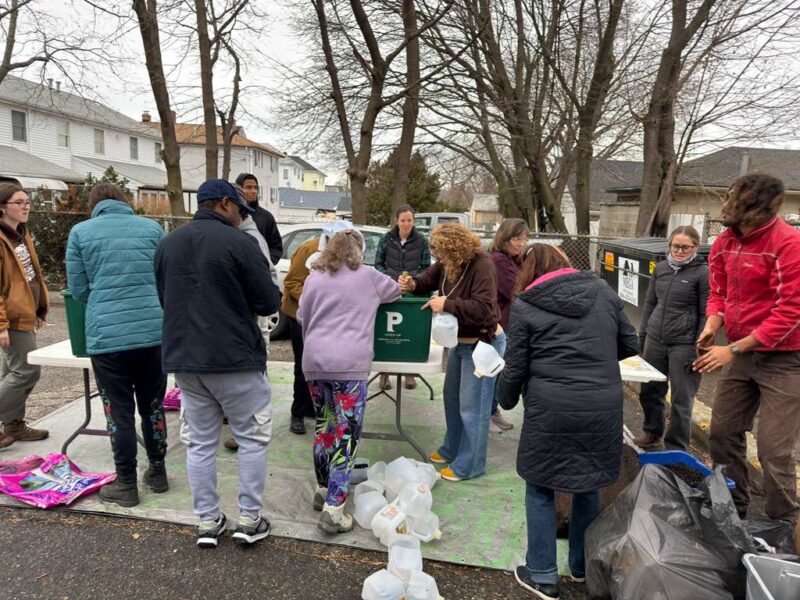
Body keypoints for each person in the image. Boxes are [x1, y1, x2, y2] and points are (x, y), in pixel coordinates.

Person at [497, 243, 638, 600]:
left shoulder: (527, 305)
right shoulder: (603, 292)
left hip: (551, 409)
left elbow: (515, 367)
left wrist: (505, 398)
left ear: (529, 272)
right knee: (588, 485)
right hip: (601, 406)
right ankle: (582, 566)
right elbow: (629, 343)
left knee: (541, 486)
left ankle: (543, 575)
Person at [155, 179, 281, 548]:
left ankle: (208, 521)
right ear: (225, 203)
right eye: (241, 211)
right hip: (235, 357)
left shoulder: (168, 243)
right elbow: (267, 302)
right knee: (252, 439)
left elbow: (166, 298)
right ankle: (249, 518)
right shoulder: (240, 243)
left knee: (200, 443)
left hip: (187, 360)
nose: (243, 218)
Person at [693, 174, 800, 524]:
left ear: (757, 209)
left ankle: (783, 523)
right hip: (741, 352)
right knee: (722, 433)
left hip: (784, 359)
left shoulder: (788, 243)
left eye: (734, 201)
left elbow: (791, 312)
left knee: (773, 449)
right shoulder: (725, 241)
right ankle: (732, 507)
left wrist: (733, 350)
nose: (725, 207)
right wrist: (712, 325)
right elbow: (719, 292)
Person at [65, 184, 167, 507]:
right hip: (153, 332)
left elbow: (78, 289)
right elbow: (165, 277)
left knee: (118, 411)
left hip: (108, 338)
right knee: (152, 404)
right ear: (125, 202)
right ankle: (158, 472)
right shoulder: (153, 229)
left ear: (93, 205)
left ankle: (126, 483)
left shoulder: (80, 233)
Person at [298, 221, 401, 533]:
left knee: (324, 427)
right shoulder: (368, 277)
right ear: (359, 250)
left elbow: (302, 315)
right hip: (349, 365)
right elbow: (395, 292)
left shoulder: (314, 278)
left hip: (315, 361)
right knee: (346, 432)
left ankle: (322, 489)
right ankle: (335, 506)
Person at [399, 223, 501, 482]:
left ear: (456, 249)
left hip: (482, 344)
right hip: (459, 343)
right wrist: (411, 283)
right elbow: (426, 281)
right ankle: (452, 448)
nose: (439, 259)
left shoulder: (483, 266)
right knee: (452, 399)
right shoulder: (447, 264)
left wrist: (448, 304)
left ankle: (471, 464)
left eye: (442, 253)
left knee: (473, 407)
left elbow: (485, 309)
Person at [633, 225, 708, 451]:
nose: (680, 251)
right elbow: (650, 303)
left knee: (681, 400)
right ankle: (652, 432)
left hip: (684, 344)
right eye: (676, 246)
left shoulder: (703, 273)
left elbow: (706, 312)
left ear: (695, 247)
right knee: (650, 390)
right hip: (655, 339)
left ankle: (676, 447)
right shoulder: (662, 268)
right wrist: (644, 333)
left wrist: (699, 344)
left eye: (685, 247)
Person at [222, 201, 281, 452]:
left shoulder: (250, 239)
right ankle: (241, 422)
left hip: (251, 320)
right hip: (244, 320)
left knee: (252, 374)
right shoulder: (240, 236)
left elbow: (267, 285)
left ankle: (247, 429)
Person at [0, 183, 49, 449]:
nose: (26, 206)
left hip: (26, 313)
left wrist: (40, 308)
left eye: (27, 202)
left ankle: (13, 426)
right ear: (2, 207)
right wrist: (1, 325)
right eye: (19, 202)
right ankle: (11, 423)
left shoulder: (21, 233)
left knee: (10, 371)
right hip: (10, 318)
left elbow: (31, 275)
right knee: (27, 371)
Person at [375, 204, 431, 391]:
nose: (406, 224)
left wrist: (413, 281)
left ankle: (409, 373)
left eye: (409, 220)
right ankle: (384, 374)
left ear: (413, 221)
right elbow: (378, 264)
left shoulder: (422, 241)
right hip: (389, 291)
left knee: (409, 332)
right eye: (403, 220)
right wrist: (392, 280)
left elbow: (426, 267)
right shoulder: (386, 239)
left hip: (414, 293)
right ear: (396, 221)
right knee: (387, 333)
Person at [487, 218, 529, 433]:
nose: (520, 244)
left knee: (499, 371)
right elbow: (516, 290)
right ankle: (486, 414)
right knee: (493, 372)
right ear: (504, 238)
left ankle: (493, 411)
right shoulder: (500, 261)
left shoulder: (511, 260)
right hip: (498, 325)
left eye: (523, 239)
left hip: (506, 324)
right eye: (516, 239)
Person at [281, 236, 319, 435]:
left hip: (319, 317)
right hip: (298, 314)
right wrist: (313, 299)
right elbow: (291, 281)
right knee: (302, 365)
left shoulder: (343, 253)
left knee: (317, 365)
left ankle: (311, 407)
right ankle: (298, 413)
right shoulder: (307, 249)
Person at [234, 173, 282, 265]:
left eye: (256, 188)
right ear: (239, 189)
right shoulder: (231, 214)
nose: (254, 191)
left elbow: (276, 247)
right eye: (248, 187)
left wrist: (265, 263)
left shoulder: (266, 217)